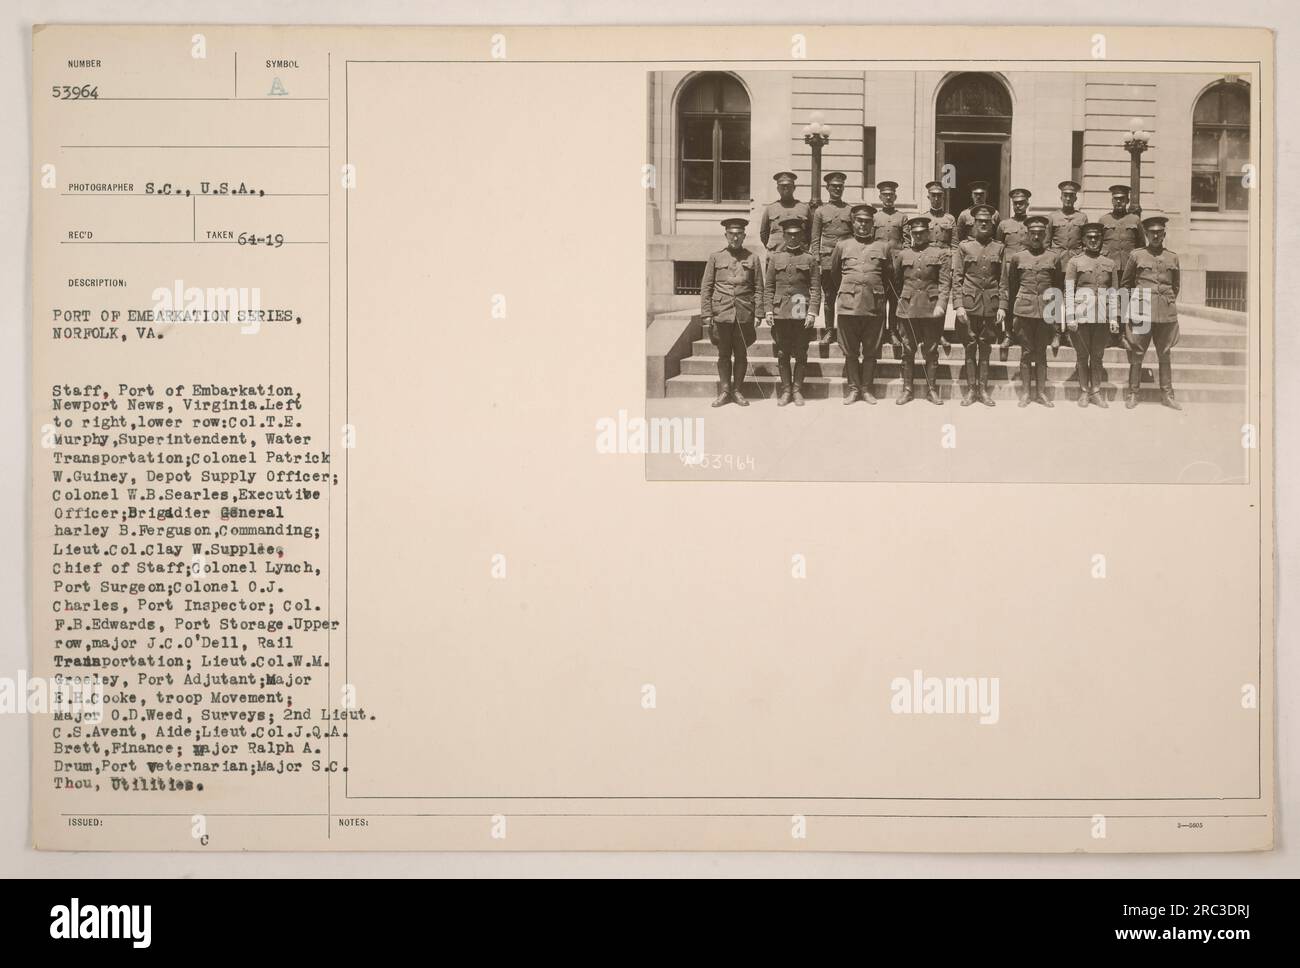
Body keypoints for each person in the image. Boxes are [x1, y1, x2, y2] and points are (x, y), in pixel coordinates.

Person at [829, 203, 891, 404]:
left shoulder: (883, 246)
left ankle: (866, 389)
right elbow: (835, 275)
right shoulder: (842, 245)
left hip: (874, 307)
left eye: (867, 221)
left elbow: (889, 277)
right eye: (859, 221)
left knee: (871, 351)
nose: (863, 225)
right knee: (851, 351)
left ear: (873, 224)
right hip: (848, 307)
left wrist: (878, 295)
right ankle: (854, 389)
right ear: (853, 223)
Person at [700, 217, 765, 407]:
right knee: (723, 354)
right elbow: (707, 287)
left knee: (742, 354)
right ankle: (725, 391)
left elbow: (758, 287)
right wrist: (706, 314)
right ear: (726, 235)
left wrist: (759, 313)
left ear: (744, 236)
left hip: (744, 312)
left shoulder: (752, 258)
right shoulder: (715, 257)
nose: (735, 238)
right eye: (731, 234)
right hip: (722, 313)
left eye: (739, 234)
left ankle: (737, 390)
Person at [1121, 215, 1182, 410]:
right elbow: (1126, 284)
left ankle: (1167, 394)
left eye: (1159, 232)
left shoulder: (1172, 257)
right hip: (1142, 309)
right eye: (1152, 233)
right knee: (1137, 352)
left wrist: (1165, 301)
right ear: (1146, 234)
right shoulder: (1136, 255)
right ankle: (1133, 393)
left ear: (1164, 234)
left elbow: (1176, 285)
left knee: (1164, 353)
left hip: (1165, 312)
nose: (1156, 236)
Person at [999, 214, 1059, 408]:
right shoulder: (1017, 258)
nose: (1035, 237)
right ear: (1027, 234)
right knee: (1026, 353)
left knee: (1041, 353)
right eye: (1032, 233)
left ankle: (1040, 393)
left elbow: (1057, 288)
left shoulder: (1053, 258)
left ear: (1045, 235)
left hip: (1045, 312)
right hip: (1023, 311)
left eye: (1040, 233)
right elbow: (1013, 285)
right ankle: (1025, 393)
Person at [893, 216, 951, 405]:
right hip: (908, 309)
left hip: (930, 309)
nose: (918, 236)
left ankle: (931, 390)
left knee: (931, 351)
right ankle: (907, 390)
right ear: (911, 234)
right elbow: (897, 282)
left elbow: (944, 283)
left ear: (928, 233)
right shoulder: (903, 255)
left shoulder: (940, 253)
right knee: (907, 350)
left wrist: (941, 305)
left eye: (922, 233)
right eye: (915, 233)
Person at [764, 215, 821, 407]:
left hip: (799, 307)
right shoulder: (774, 258)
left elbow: (815, 287)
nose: (793, 238)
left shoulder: (809, 259)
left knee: (801, 351)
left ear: (802, 236)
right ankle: (786, 390)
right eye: (789, 234)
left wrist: (812, 312)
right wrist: (769, 310)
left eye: (797, 234)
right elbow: (769, 286)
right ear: (784, 236)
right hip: (780, 310)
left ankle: (797, 390)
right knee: (782, 352)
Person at [952, 205, 1004, 406]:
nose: (983, 224)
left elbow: (1003, 280)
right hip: (969, 305)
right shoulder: (964, 247)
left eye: (987, 221)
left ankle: (983, 390)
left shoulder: (999, 248)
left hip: (990, 306)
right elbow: (957, 278)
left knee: (985, 348)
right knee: (969, 347)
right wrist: (958, 305)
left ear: (992, 224)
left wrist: (1002, 306)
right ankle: (971, 390)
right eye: (979, 221)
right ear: (973, 224)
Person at [1064, 222, 1119, 408]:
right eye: (1090, 237)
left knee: (1097, 355)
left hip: (1102, 315)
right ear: (1083, 240)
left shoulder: (1110, 263)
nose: (1094, 240)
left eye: (1097, 237)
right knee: (1082, 355)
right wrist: (1070, 316)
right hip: (1081, 315)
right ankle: (1083, 392)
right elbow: (1068, 291)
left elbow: (1114, 292)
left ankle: (1096, 391)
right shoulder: (1075, 262)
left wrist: (1113, 317)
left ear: (1101, 239)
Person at [810, 171, 853, 346]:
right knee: (829, 297)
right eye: (833, 186)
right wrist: (816, 262)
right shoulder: (820, 212)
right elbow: (815, 238)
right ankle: (829, 332)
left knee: (847, 297)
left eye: (840, 186)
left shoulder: (850, 210)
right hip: (827, 262)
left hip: (846, 261)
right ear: (827, 188)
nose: (837, 189)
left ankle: (844, 333)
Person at [995, 188, 1033, 355]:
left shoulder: (1033, 224)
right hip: (1009, 270)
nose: (1018, 206)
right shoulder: (1004, 225)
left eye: (1022, 203)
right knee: (1009, 301)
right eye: (1016, 203)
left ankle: (1024, 333)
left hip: (1027, 269)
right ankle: (1009, 334)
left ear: (1027, 204)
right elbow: (998, 247)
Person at [872, 180, 908, 354]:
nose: (888, 198)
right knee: (879, 299)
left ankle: (893, 331)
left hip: (896, 265)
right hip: (878, 265)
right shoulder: (874, 217)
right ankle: (879, 332)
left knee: (894, 300)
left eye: (891, 195)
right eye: (885, 195)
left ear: (895, 197)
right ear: (880, 197)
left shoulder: (902, 217)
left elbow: (907, 242)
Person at [759, 172, 811, 254]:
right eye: (782, 186)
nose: (785, 188)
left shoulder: (804, 208)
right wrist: (773, 247)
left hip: (799, 254)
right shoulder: (770, 209)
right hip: (775, 253)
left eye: (788, 186)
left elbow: (809, 232)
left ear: (794, 188)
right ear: (777, 188)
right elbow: (763, 234)